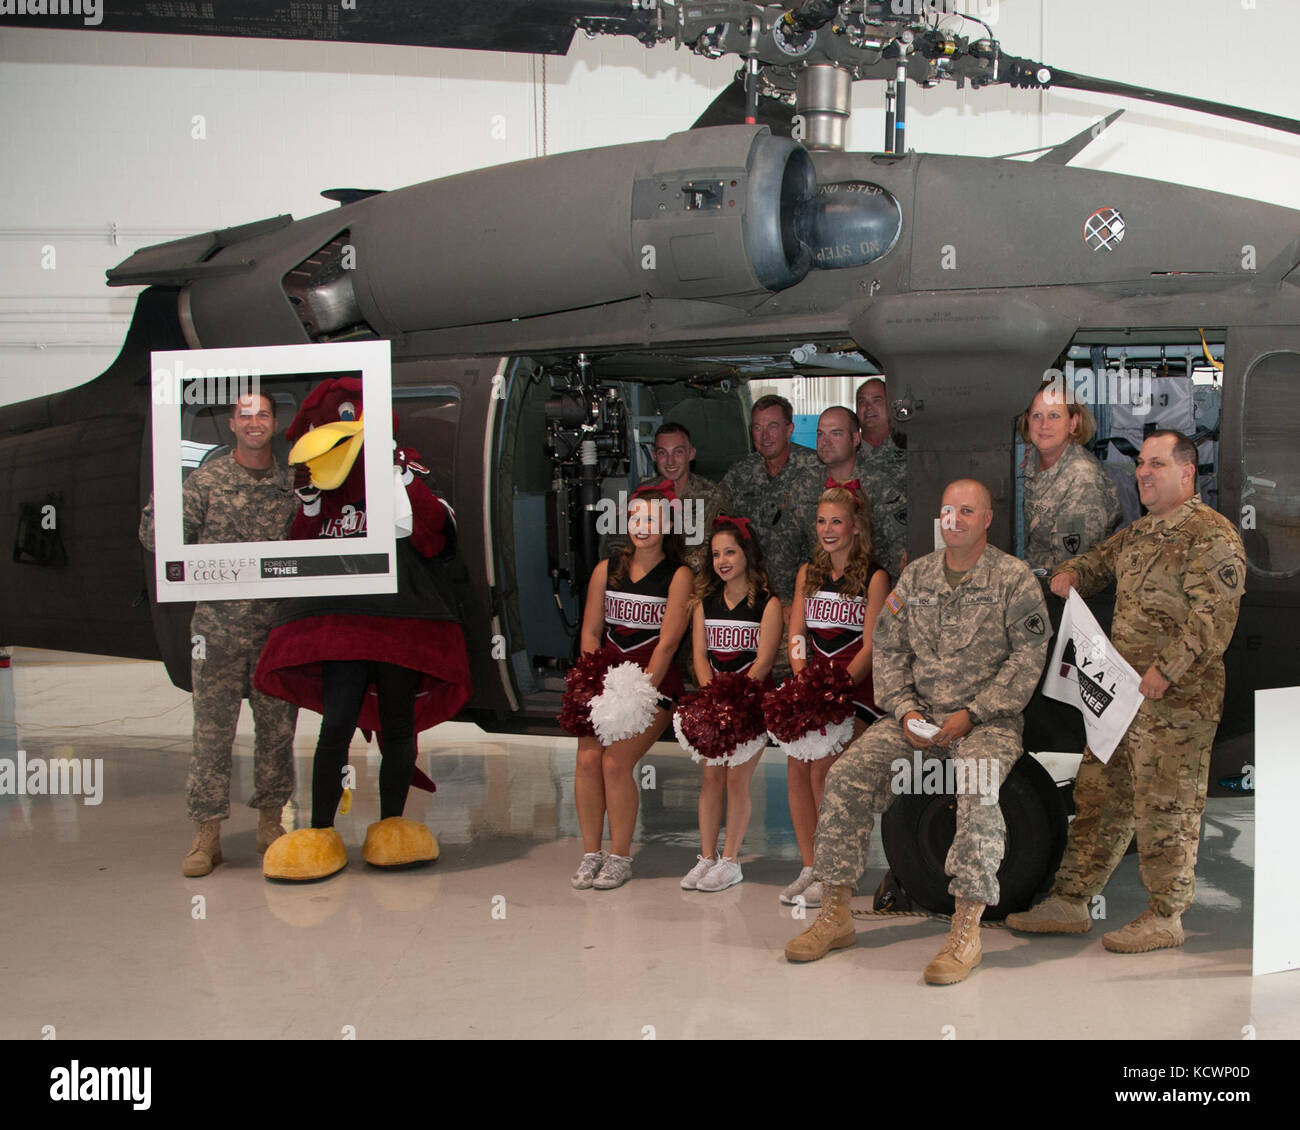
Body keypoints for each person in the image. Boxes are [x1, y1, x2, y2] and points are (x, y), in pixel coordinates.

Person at [784, 480, 1049, 984]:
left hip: (986, 724)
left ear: (987, 519)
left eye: (968, 511)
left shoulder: (1013, 580)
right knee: (847, 775)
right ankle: (835, 915)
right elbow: (888, 649)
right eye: (949, 510)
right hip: (917, 718)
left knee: (976, 786)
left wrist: (972, 714)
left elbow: (1027, 659)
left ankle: (966, 931)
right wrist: (904, 711)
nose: (956, 519)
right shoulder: (917, 577)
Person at [1006, 430, 1246, 952]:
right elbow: (1099, 559)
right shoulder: (1140, 534)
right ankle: (1071, 901)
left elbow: (1212, 622)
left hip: (1175, 701)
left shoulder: (1212, 536)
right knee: (1099, 796)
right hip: (1119, 698)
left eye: (1156, 464)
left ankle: (1165, 916)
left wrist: (1165, 671)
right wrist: (1072, 573)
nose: (1143, 472)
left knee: (1167, 808)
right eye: (1140, 463)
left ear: (1187, 473)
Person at [254, 377, 472, 879]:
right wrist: (310, 503)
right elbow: (303, 548)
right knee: (336, 725)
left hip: (397, 621)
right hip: (342, 622)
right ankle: (319, 829)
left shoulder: (404, 465)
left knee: (398, 722)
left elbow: (433, 536)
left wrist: (405, 477)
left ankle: (392, 825)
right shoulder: (323, 477)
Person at [138, 391, 298, 877]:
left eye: (262, 415)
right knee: (211, 734)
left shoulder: (291, 485)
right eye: (245, 415)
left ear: (274, 423)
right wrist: (163, 500)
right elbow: (154, 539)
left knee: (277, 733)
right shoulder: (204, 483)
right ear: (232, 424)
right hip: (218, 632)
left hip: (274, 631)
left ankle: (271, 824)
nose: (254, 423)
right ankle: (206, 835)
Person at [572, 487, 693, 890]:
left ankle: (620, 855)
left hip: (651, 685)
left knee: (614, 763)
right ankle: (592, 852)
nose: (643, 527)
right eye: (636, 518)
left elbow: (668, 644)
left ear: (667, 525)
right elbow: (590, 631)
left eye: (652, 519)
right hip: (603, 680)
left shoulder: (679, 575)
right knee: (589, 760)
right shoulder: (607, 569)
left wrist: (637, 692)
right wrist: (594, 681)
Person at [780, 483, 890, 907]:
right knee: (796, 766)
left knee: (823, 770)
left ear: (855, 527)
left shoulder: (874, 577)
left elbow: (871, 645)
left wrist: (836, 690)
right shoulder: (807, 574)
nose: (828, 530)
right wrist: (801, 678)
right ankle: (811, 867)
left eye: (837, 522)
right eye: (822, 521)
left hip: (854, 690)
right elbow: (796, 633)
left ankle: (834, 871)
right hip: (812, 686)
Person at [681, 515, 782, 892]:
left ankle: (731, 860)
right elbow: (699, 659)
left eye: (730, 551)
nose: (723, 560)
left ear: (747, 554)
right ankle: (706, 856)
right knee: (710, 778)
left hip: (751, 705)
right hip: (714, 705)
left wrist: (736, 703)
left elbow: (763, 663)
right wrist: (713, 701)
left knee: (736, 780)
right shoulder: (704, 603)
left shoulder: (767, 604)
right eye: (716, 554)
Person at [721, 394, 822, 607]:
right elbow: (717, 520)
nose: (765, 436)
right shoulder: (741, 473)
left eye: (772, 426)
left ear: (790, 429)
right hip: (750, 599)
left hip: (803, 598)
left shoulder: (817, 469)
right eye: (757, 428)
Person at [1018, 378, 1121, 572]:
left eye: (1054, 415)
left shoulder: (1083, 479)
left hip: (1059, 586)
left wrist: (1013, 573)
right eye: (1037, 415)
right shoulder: (1023, 460)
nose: (1044, 425)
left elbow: (1068, 564)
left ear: (1073, 423)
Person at [649, 423, 734, 571]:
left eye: (678, 452)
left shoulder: (714, 496)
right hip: (653, 587)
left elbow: (727, 550)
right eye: (663, 453)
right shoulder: (642, 498)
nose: (670, 461)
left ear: (691, 454)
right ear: (654, 456)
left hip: (700, 587)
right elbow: (618, 548)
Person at [854, 377, 908, 579]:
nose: (868, 408)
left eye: (877, 400)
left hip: (900, 568)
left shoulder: (912, 450)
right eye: (861, 402)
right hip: (858, 572)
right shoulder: (847, 455)